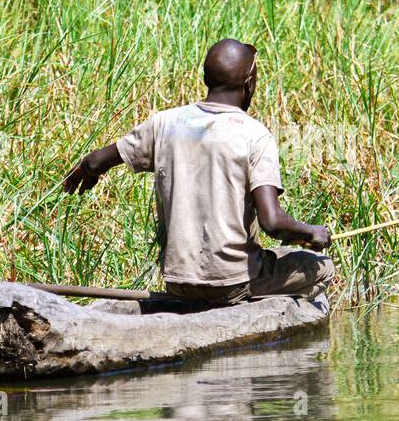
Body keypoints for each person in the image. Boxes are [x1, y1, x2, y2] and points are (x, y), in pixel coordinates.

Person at [63, 39, 333, 305]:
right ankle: (256, 312)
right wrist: (311, 232)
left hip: (179, 283)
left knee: (275, 255)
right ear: (249, 84)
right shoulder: (255, 135)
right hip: (233, 283)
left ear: (206, 79)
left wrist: (82, 173)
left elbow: (96, 161)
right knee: (321, 267)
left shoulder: (165, 123)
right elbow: (272, 222)